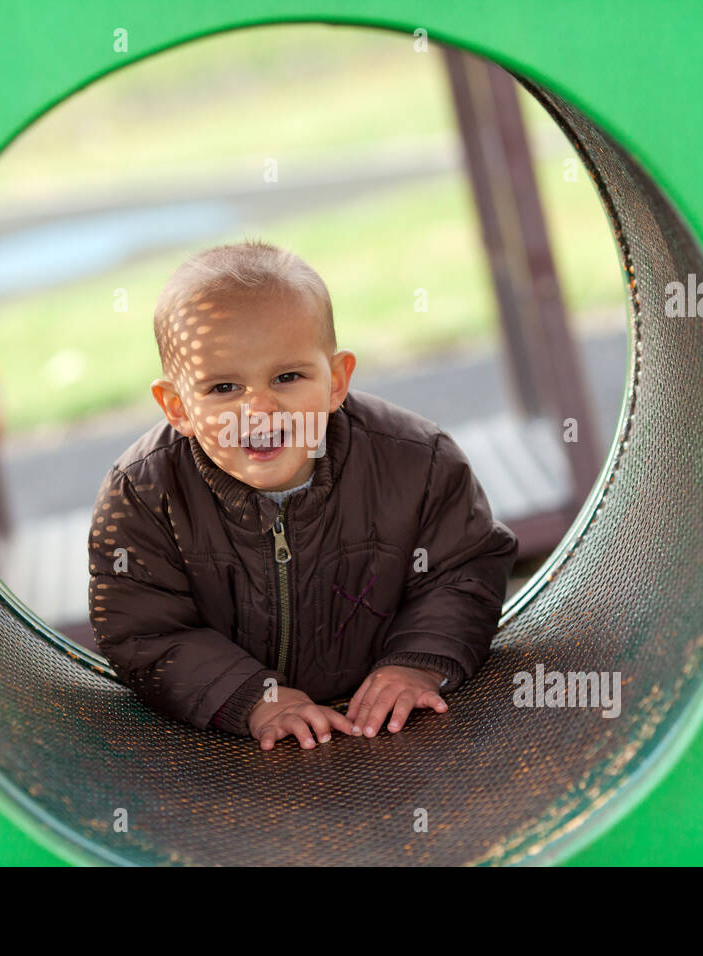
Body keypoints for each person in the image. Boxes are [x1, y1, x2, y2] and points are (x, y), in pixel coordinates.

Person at [87, 239, 518, 751]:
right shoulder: (144, 494)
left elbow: (463, 572)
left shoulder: (417, 461)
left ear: (336, 380)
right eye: (223, 388)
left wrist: (417, 663)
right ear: (177, 407)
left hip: (385, 722)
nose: (260, 410)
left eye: (287, 377)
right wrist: (254, 698)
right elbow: (142, 630)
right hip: (235, 745)